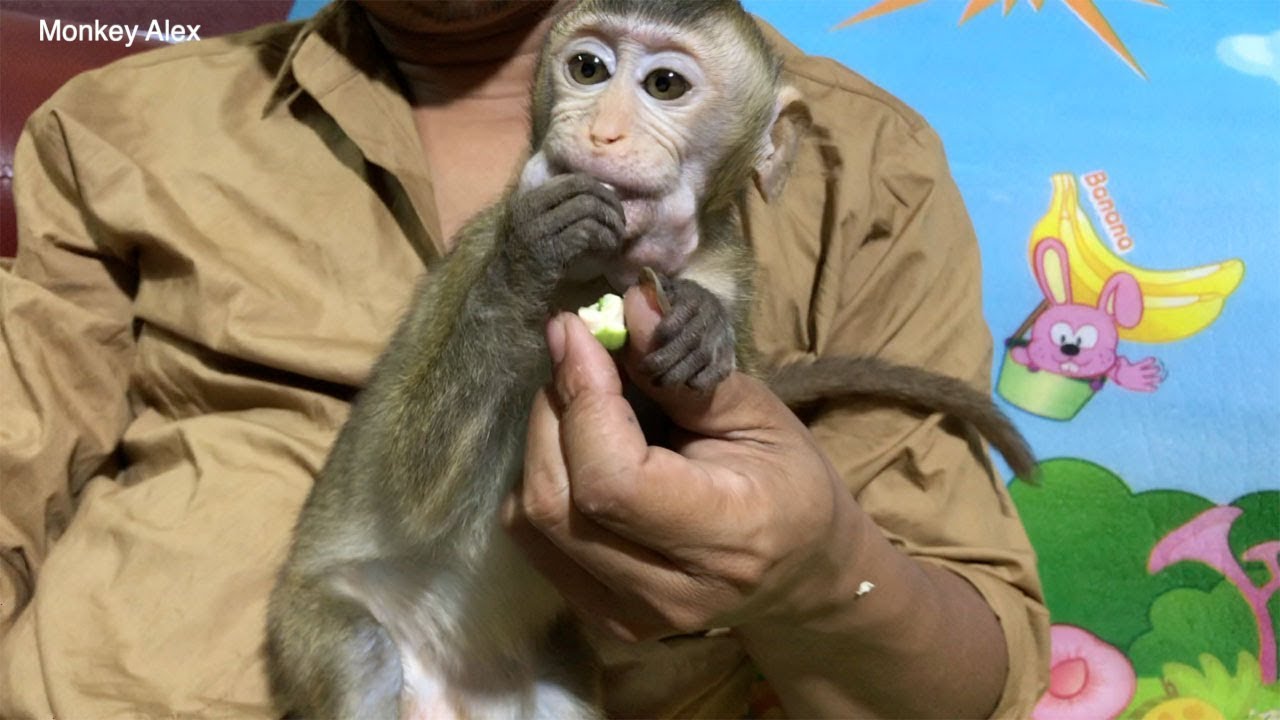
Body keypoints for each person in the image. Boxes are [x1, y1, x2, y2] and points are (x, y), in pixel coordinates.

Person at [0, 0, 1049, 716]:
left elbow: (967, 671)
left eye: (662, 87)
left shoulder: (854, 160)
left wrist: (814, 571)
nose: (608, 124)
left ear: (759, 146)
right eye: (587, 75)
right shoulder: (119, 121)